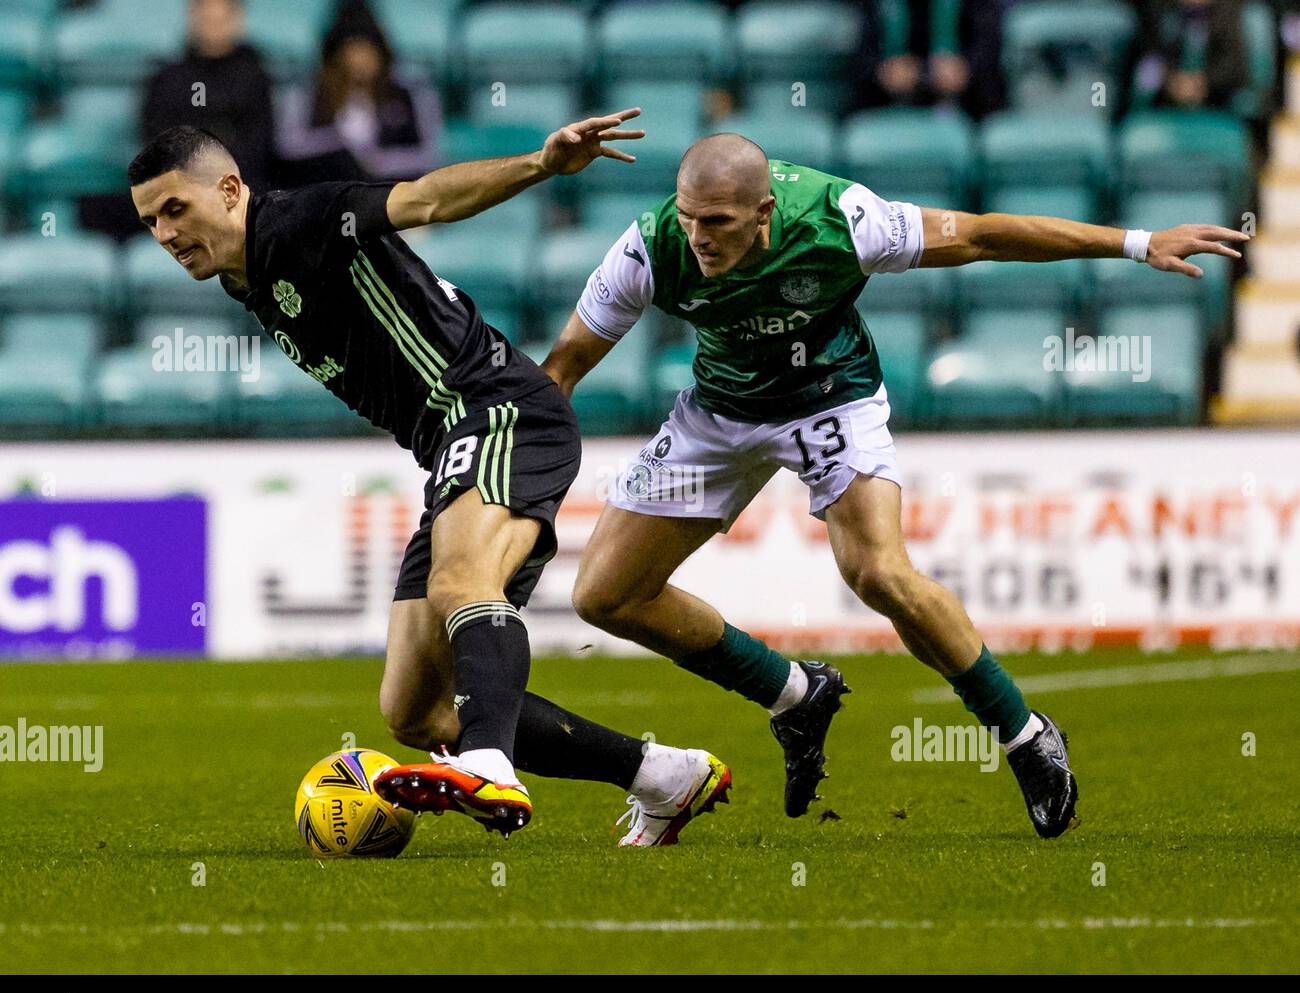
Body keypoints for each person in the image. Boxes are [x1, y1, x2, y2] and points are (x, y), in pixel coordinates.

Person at [542, 132, 1249, 837]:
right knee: (605, 594)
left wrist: (1135, 241)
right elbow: (564, 367)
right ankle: (794, 693)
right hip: (718, 414)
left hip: (830, 400)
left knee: (878, 572)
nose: (697, 236)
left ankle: (1024, 735)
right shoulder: (648, 246)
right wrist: (520, 486)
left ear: (764, 213)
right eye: (689, 216)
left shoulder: (841, 218)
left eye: (718, 222)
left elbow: (981, 237)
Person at [125, 116, 731, 847]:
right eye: (151, 221)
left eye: (174, 209)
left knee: (458, 583)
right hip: (449, 445)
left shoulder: (303, 219)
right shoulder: (240, 274)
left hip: (499, 408)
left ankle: (491, 766)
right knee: (415, 709)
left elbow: (426, 199)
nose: (163, 233)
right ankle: (664, 776)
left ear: (228, 189)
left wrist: (541, 163)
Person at [276, 0, 442, 185]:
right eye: (352, 52)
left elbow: (429, 155)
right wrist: (340, 149)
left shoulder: (408, 94)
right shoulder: (307, 94)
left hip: (389, 195)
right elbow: (288, 147)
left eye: (366, 52)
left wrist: (377, 162)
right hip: (330, 196)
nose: (359, 62)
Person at [141, 0, 275, 194]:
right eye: (207, 20)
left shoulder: (255, 78)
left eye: (220, 20)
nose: (213, 29)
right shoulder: (167, 79)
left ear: (237, 21)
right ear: (192, 18)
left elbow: (260, 145)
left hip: (241, 184)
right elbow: (155, 141)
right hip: (179, 186)